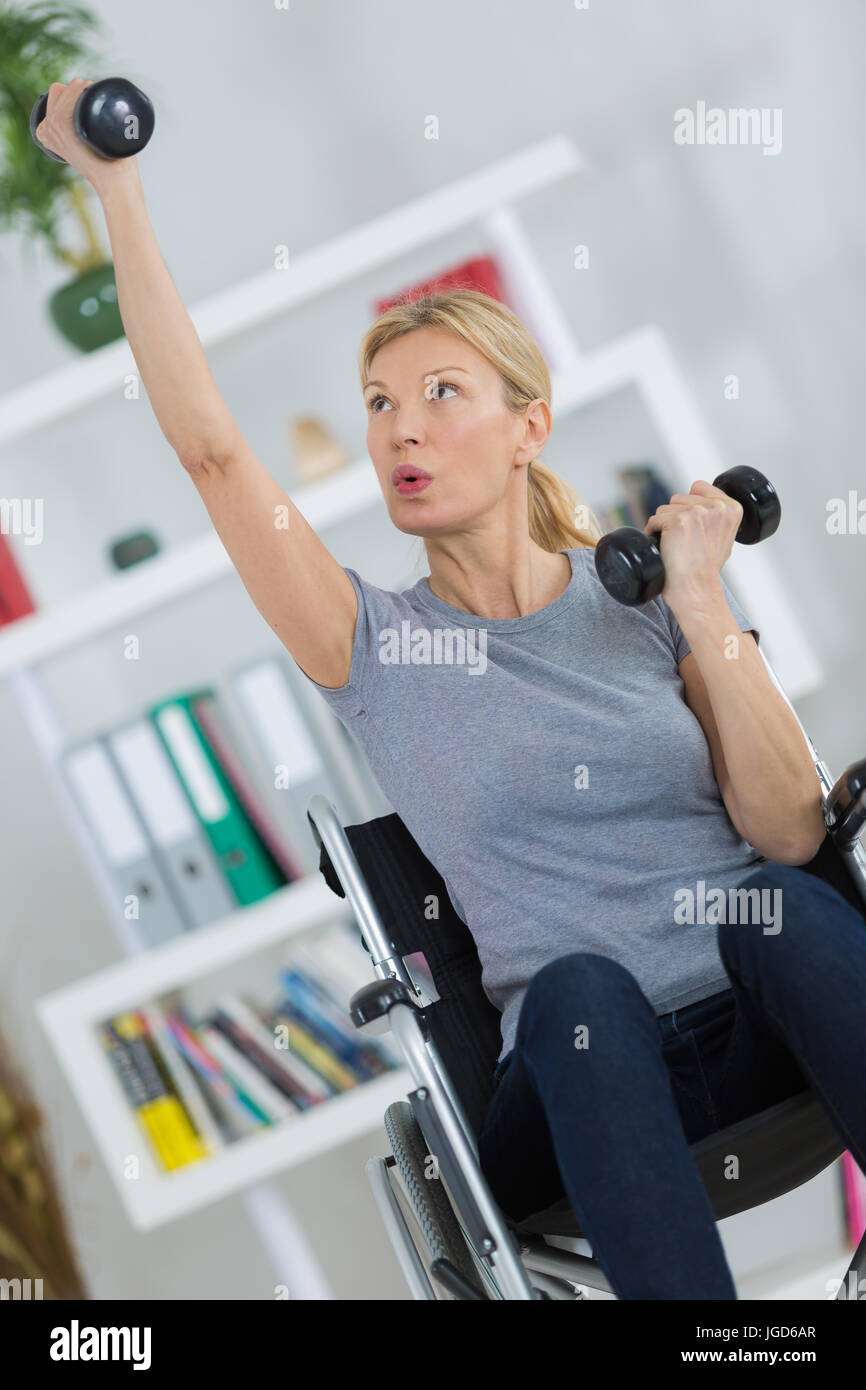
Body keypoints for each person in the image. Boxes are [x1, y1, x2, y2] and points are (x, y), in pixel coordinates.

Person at [41, 79, 866, 1301]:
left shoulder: (645, 596)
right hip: (576, 1078)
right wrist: (114, 186)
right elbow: (212, 450)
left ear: (527, 426)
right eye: (379, 405)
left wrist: (701, 605)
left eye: (439, 395)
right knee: (581, 990)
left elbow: (791, 832)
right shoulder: (370, 647)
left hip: (764, 1045)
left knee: (789, 909)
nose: (398, 431)